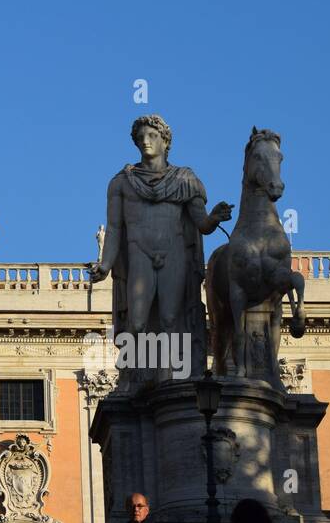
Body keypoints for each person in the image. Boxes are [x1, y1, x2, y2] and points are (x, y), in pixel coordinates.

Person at [90, 115, 231, 385]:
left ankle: (166, 378)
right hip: (138, 253)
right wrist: (105, 266)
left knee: (169, 318)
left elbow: (201, 223)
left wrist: (214, 217)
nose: (145, 141)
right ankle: (133, 379)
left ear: (165, 142)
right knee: (138, 320)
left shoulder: (185, 180)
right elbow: (115, 228)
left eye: (152, 136)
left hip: (174, 253)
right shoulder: (121, 182)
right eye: (140, 137)